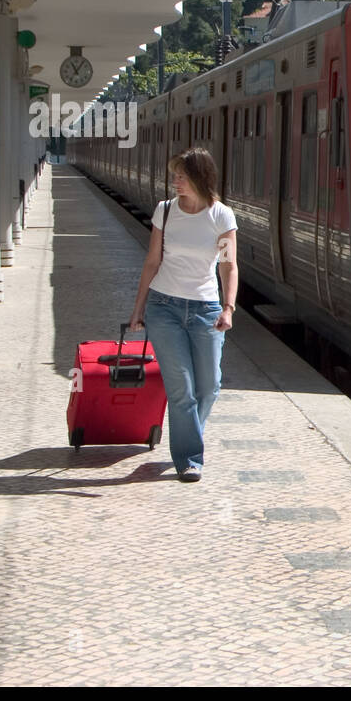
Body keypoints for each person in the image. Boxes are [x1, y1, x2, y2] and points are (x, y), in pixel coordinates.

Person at [129, 148, 238, 482]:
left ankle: (190, 434)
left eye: (181, 176)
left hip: (205, 309)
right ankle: (189, 458)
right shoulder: (164, 212)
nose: (175, 182)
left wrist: (228, 308)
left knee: (210, 386)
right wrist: (139, 309)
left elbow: (228, 265)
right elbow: (152, 261)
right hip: (165, 308)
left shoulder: (220, 217)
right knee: (182, 389)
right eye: (174, 175)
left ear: (200, 178)